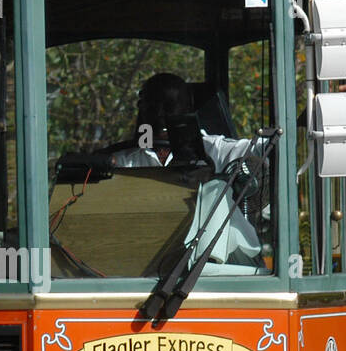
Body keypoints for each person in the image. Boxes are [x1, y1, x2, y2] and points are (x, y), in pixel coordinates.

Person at [108, 73, 265, 268]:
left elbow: (261, 148)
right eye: (152, 109)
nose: (160, 116)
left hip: (203, 269)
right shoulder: (125, 161)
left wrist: (292, 128)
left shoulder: (213, 149)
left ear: (186, 109)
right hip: (141, 261)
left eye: (169, 107)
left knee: (215, 189)